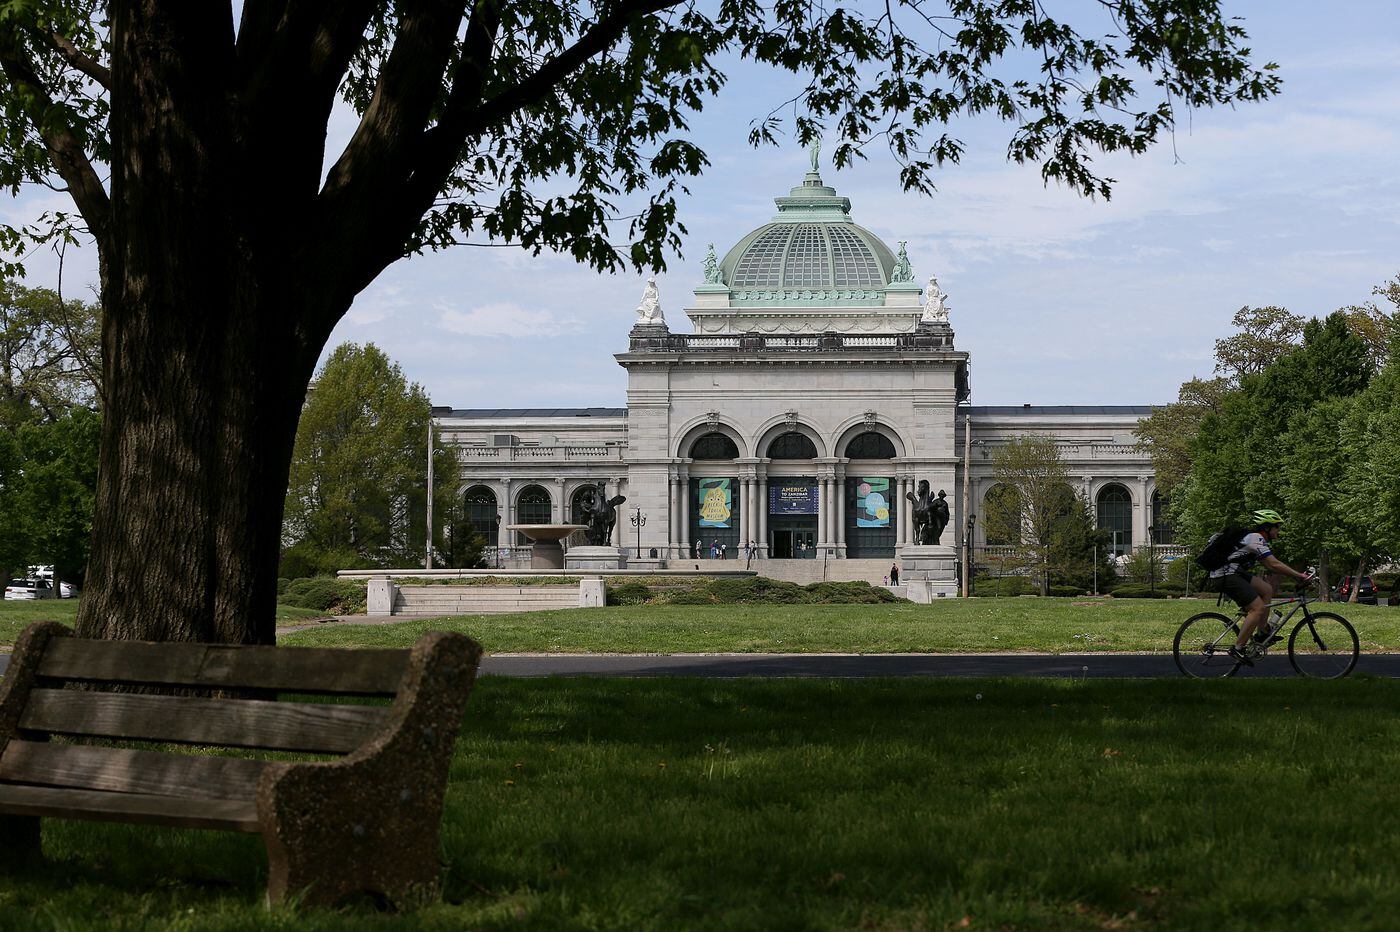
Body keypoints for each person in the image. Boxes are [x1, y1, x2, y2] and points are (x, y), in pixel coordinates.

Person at [1206, 509, 1313, 666]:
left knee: (1266, 589)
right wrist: (1300, 575)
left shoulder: (1254, 539)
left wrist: (1295, 577)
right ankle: (1238, 648)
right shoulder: (1256, 538)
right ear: (1267, 527)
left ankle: (1262, 632)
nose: (1278, 531)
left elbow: (1270, 566)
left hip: (1233, 572)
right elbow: (1274, 563)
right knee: (1257, 608)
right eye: (1277, 527)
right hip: (1226, 575)